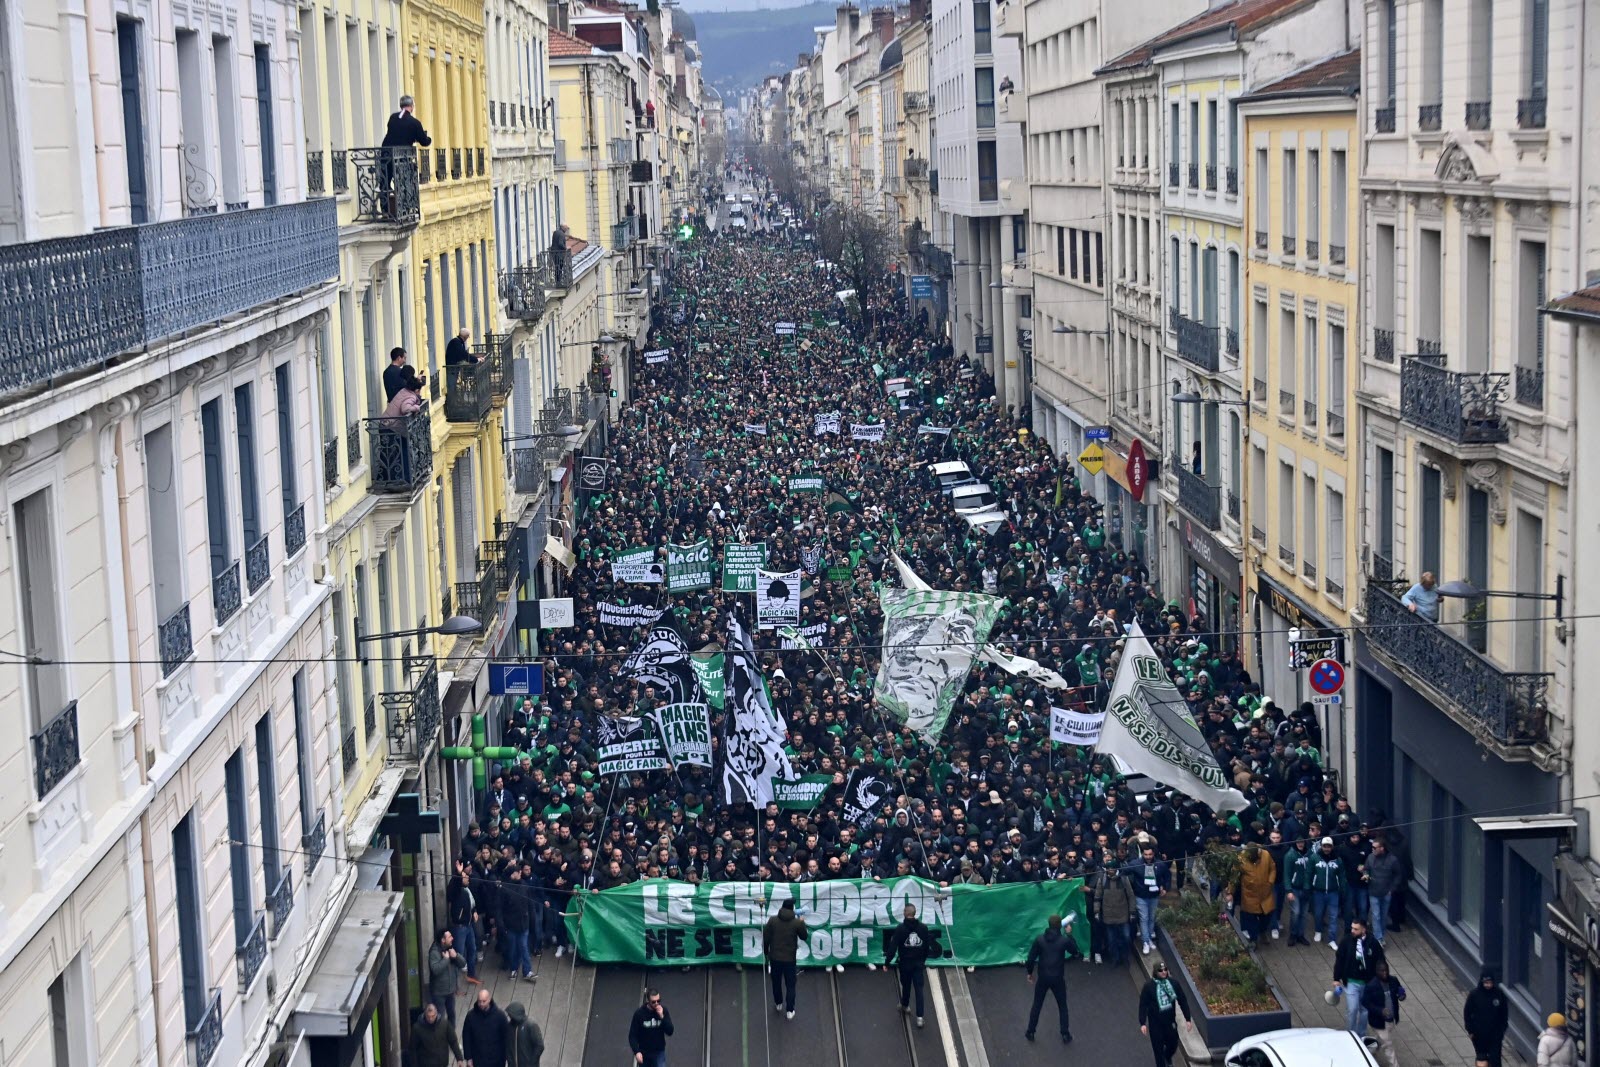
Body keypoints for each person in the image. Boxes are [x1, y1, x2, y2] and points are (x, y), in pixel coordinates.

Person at [885, 902, 938, 1027]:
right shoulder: (923, 928)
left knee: (906, 984)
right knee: (919, 989)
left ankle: (905, 1005)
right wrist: (922, 960)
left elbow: (892, 948)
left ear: (905, 913)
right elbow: (926, 947)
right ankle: (920, 1017)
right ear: (915, 913)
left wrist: (887, 962)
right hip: (918, 963)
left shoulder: (900, 929)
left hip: (905, 963)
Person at [1024, 914, 1074, 1044]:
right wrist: (1069, 934)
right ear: (1060, 925)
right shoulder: (1063, 941)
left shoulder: (1040, 940)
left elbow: (1030, 958)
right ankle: (1065, 1033)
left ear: (1049, 925)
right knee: (1062, 1006)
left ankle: (1030, 1031)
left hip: (1043, 978)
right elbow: (1075, 951)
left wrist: (1030, 972)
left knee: (1037, 1004)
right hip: (1058, 978)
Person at [1331, 916, 1384, 1035]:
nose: (1352, 931)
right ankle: (1351, 1035)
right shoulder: (1346, 941)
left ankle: (1361, 1034)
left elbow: (1380, 962)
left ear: (1363, 930)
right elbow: (1339, 960)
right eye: (1352, 928)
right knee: (1352, 1009)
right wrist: (1336, 978)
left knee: (1364, 1010)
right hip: (1351, 982)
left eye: (1356, 929)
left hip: (1368, 983)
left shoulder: (1373, 943)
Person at [1138, 958, 1193, 1067]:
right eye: (1160, 970)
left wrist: (1188, 1019)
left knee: (1173, 1044)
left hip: (1170, 1021)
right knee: (1158, 1051)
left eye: (1165, 969)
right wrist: (1143, 1022)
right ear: (1155, 972)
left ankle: (1167, 1056)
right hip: (1155, 1024)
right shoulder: (1149, 987)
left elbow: (1182, 1000)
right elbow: (1143, 1005)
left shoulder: (1174, 984)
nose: (1163, 972)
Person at [762, 899, 807, 1019]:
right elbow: (804, 937)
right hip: (790, 960)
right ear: (792, 909)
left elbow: (765, 938)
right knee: (790, 985)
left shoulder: (772, 920)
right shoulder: (797, 923)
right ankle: (790, 1010)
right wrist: (803, 923)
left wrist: (766, 952)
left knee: (776, 982)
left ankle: (778, 1003)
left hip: (775, 958)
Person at [1359, 960, 1407, 1067]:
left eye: (1386, 970)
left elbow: (1400, 991)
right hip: (1378, 1022)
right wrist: (1380, 1010)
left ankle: (1367, 1054)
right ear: (1377, 972)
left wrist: (1402, 995)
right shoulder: (1371, 986)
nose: (1385, 973)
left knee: (1380, 1040)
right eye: (1382, 971)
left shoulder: (1393, 980)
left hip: (1391, 1019)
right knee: (1388, 1045)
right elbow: (1365, 1002)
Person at [1127, 845, 1170, 955]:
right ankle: (1145, 941)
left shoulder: (1160, 865)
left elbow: (1167, 876)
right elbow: (1124, 871)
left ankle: (1149, 938)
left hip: (1154, 896)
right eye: (1146, 855)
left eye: (1150, 854)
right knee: (1144, 918)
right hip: (1141, 896)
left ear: (1153, 854)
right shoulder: (1136, 864)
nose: (1148, 857)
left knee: (1152, 918)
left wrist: (1165, 888)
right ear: (1142, 854)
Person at [1232, 843, 1277, 943]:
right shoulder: (1240, 860)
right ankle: (1253, 940)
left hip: (1266, 894)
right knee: (1251, 920)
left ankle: (1262, 932)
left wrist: (1270, 882)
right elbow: (1234, 877)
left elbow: (1272, 868)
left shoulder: (1266, 855)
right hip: (1250, 896)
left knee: (1267, 916)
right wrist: (1230, 892)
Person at [1464, 970, 1510, 1067]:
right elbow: (1467, 1013)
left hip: (1495, 1035)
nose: (1488, 985)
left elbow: (1504, 1013)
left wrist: (1502, 1029)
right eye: (1485, 983)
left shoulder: (1499, 994)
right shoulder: (1474, 995)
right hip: (1479, 1035)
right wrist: (1470, 1031)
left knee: (1495, 1060)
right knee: (1482, 1059)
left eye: (1490, 983)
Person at [1094, 862, 1136, 966]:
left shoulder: (1124, 879)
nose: (1110, 870)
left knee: (1126, 937)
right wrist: (1096, 912)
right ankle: (1115, 958)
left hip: (1123, 915)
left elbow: (1131, 896)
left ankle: (1125, 957)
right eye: (1108, 868)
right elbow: (1097, 897)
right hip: (1108, 916)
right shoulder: (1102, 880)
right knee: (1111, 940)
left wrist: (1132, 912)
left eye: (1112, 868)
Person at [1364, 837, 1404, 945]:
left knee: (1383, 915)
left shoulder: (1392, 860)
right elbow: (1366, 869)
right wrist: (1366, 875)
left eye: (1374, 847)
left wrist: (1392, 889)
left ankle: (1381, 934)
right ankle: (1378, 938)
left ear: (1382, 848)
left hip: (1386, 892)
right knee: (1376, 915)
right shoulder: (1370, 857)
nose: (1372, 849)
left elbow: (1398, 875)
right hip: (1373, 891)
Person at [462, 988, 510, 1067]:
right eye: (479, 1001)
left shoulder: (500, 1016)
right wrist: (468, 1058)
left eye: (484, 1001)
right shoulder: (471, 1016)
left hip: (496, 1060)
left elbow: (506, 1037)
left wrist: (506, 1058)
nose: (481, 1004)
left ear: (489, 1000)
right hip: (478, 1060)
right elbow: (466, 1037)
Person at [428, 928, 467, 1025]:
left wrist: (456, 956)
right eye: (450, 937)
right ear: (443, 940)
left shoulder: (450, 948)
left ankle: (451, 1036)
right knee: (440, 1018)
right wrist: (445, 959)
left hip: (451, 991)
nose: (452, 938)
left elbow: (463, 964)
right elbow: (435, 969)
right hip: (439, 993)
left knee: (452, 1015)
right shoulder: (434, 952)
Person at [410, 1000, 465, 1067]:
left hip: (442, 1064)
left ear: (436, 1013)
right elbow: (413, 1049)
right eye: (428, 1016)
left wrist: (459, 1058)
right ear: (425, 1014)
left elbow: (453, 1041)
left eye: (433, 1016)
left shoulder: (445, 1024)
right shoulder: (417, 1028)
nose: (430, 1019)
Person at [629, 988, 674, 1067]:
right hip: (644, 1053)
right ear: (648, 1001)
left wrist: (662, 1017)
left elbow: (670, 1031)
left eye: (658, 1001)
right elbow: (632, 1035)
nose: (656, 1003)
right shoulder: (639, 1014)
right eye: (653, 1002)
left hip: (659, 1051)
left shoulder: (663, 1010)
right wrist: (637, 1052)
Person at [506, 1001, 546, 1066]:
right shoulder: (509, 1027)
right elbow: (507, 1046)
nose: (509, 1016)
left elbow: (539, 1046)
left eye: (511, 1014)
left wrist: (532, 1063)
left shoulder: (530, 1025)